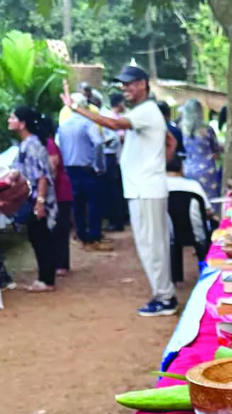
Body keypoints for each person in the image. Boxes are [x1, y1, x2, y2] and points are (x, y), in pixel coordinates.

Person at [61, 66, 177, 317]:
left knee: (151, 246)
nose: (125, 88)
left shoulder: (146, 111)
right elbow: (171, 142)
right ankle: (164, 294)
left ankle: (165, 297)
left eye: (131, 84)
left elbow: (113, 124)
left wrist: (76, 109)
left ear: (144, 84)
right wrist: (156, 164)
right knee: (150, 244)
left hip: (145, 189)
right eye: (123, 85)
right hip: (143, 187)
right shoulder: (146, 111)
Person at [8, 106, 57, 292]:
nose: (9, 120)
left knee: (41, 238)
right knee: (37, 237)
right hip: (32, 198)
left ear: (22, 123)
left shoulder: (33, 145)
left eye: (12, 118)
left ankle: (47, 280)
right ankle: (44, 278)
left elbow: (42, 176)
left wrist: (40, 202)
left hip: (38, 198)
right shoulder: (26, 144)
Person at [56, 95, 109, 251]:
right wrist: (98, 164)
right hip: (87, 168)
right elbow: (99, 143)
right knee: (94, 203)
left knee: (77, 204)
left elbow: (58, 146)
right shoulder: (87, 123)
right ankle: (94, 235)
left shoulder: (63, 125)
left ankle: (81, 233)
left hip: (69, 169)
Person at [166, 153, 213, 282]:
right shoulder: (193, 185)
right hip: (196, 232)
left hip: (169, 234)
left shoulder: (159, 187)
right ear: (181, 169)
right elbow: (208, 211)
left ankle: (175, 277)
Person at [37, 115, 73, 275]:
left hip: (60, 192)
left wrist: (44, 193)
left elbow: (53, 169)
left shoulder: (49, 144)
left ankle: (61, 264)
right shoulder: (45, 143)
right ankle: (58, 262)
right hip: (57, 192)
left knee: (60, 227)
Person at [179, 99, 219, 198]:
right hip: (207, 170)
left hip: (188, 169)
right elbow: (216, 150)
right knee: (210, 200)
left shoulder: (181, 129)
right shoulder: (207, 129)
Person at [103, 92, 127, 231]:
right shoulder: (111, 119)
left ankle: (119, 219)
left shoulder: (119, 118)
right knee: (114, 190)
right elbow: (117, 139)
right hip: (112, 158)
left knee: (117, 190)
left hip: (118, 158)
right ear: (119, 104)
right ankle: (117, 220)